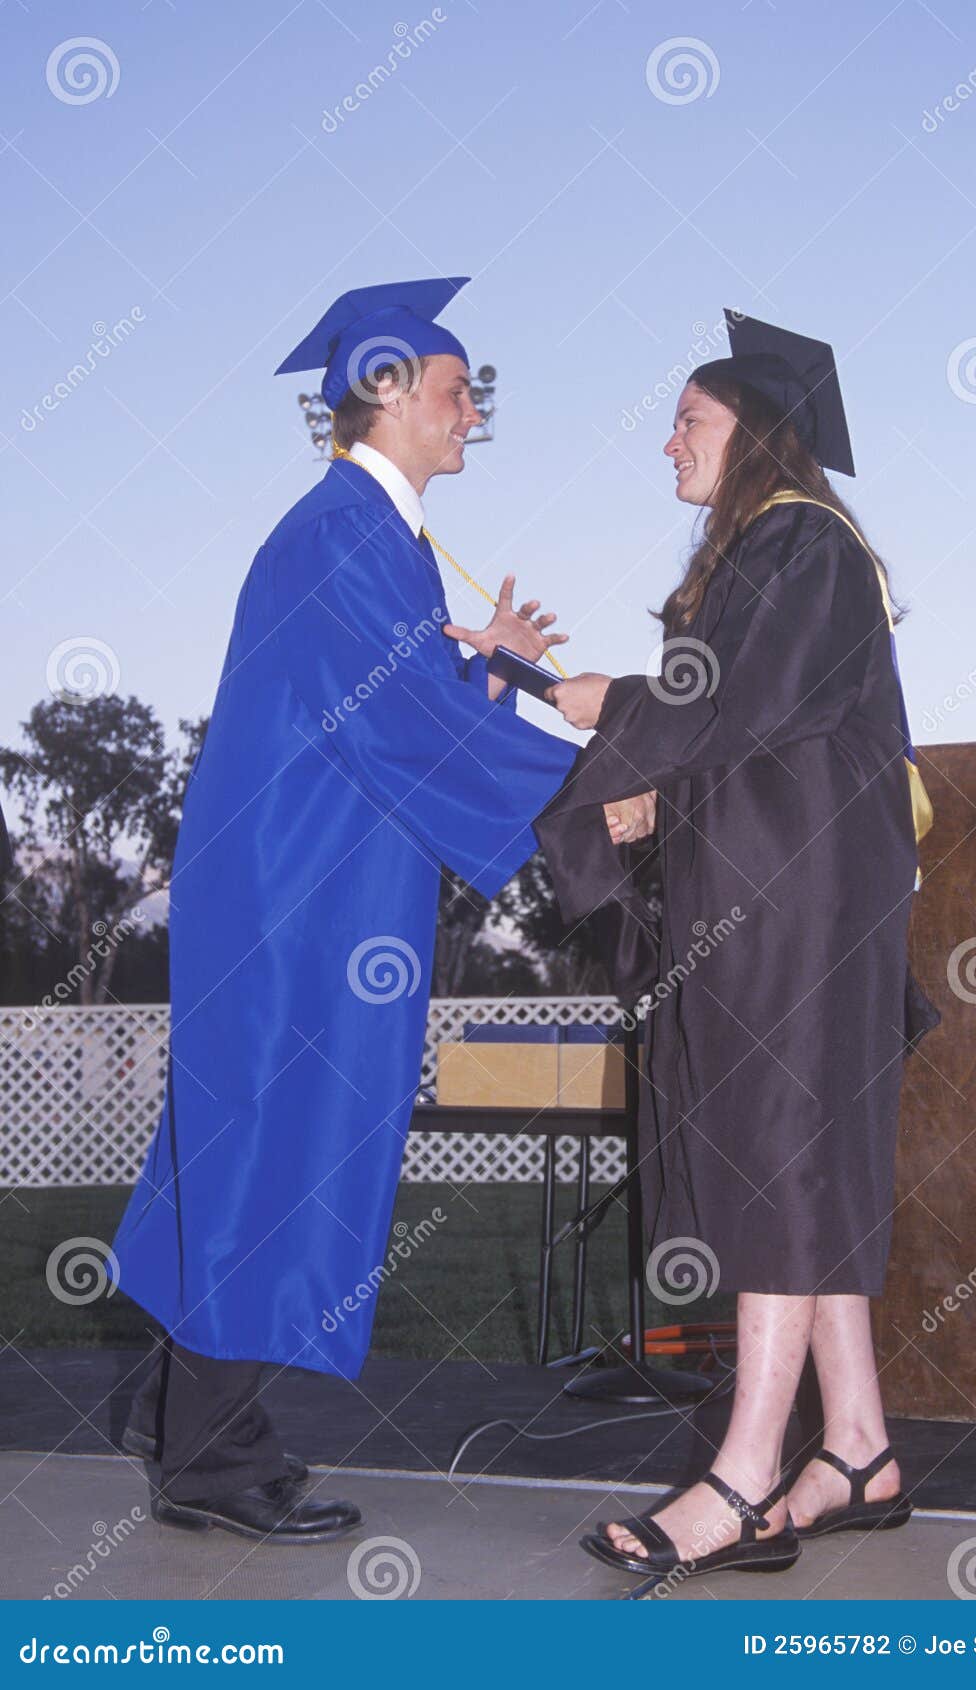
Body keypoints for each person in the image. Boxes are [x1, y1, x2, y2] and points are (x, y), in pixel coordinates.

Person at [112, 277, 579, 1543]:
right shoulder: (341, 530)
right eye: (452, 389)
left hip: (316, 870)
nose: (471, 410)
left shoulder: (374, 538)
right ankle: (208, 1453)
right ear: (384, 394)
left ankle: (171, 1411)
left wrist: (480, 660)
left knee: (253, 1133)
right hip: (300, 886)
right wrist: (584, 766)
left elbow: (397, 686)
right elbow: (394, 716)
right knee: (275, 1133)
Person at [538, 310, 938, 1586]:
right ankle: (860, 1446)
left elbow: (728, 700)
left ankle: (745, 1475)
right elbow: (759, 727)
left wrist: (597, 702)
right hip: (789, 882)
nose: (667, 444)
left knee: (778, 1154)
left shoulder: (802, 542)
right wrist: (652, 786)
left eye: (691, 421)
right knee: (802, 1153)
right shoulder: (783, 552)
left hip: (799, 900)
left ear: (757, 435)